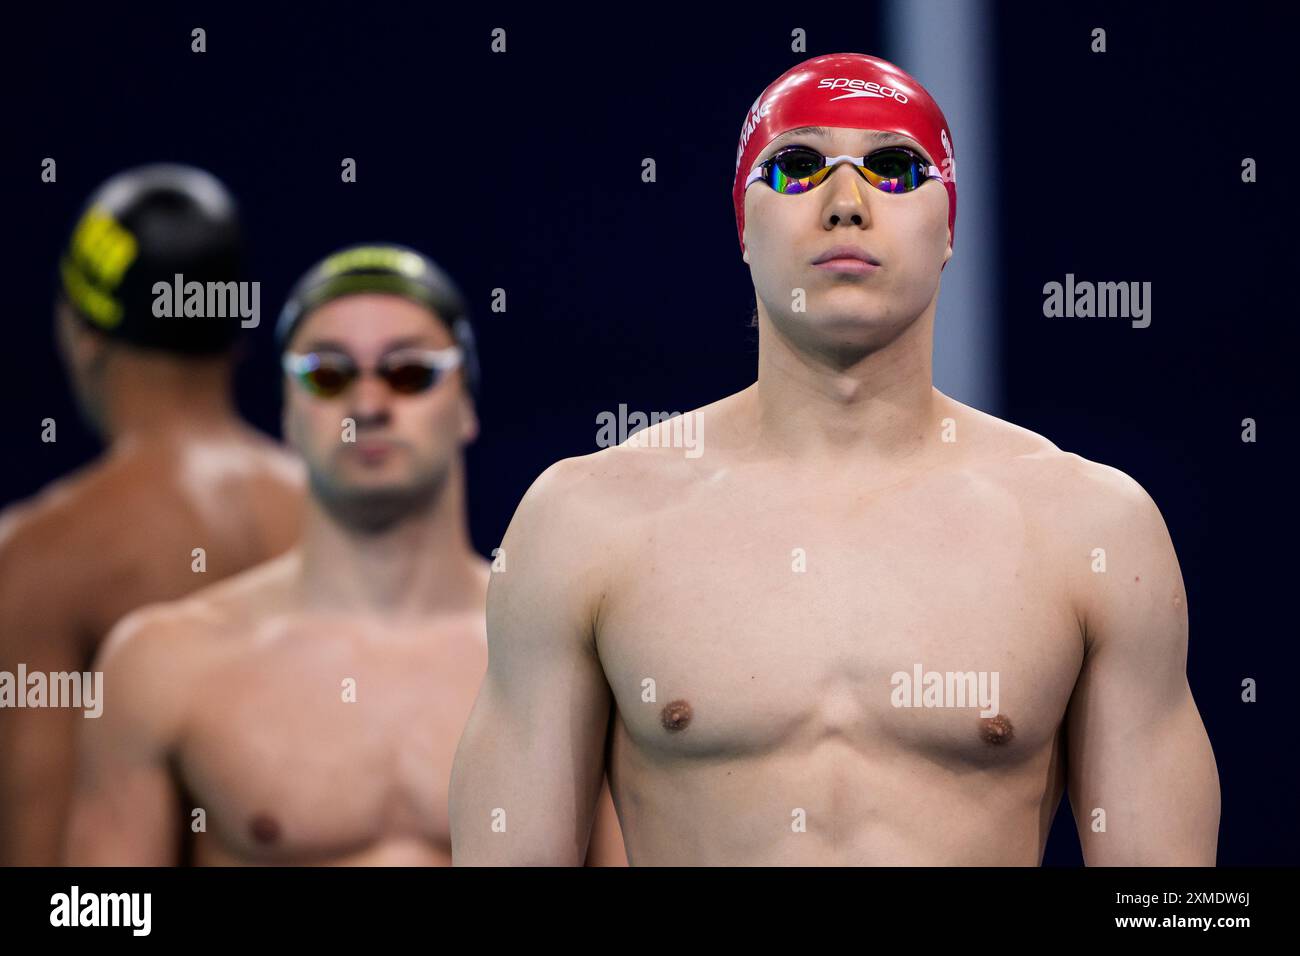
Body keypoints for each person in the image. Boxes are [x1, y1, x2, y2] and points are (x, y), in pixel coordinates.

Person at [449, 53, 1220, 865]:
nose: (846, 204)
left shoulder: (1093, 528)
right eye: (797, 166)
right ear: (743, 228)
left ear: (949, 227)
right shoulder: (583, 522)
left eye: (893, 168)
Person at [65, 245, 625, 865]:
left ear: (466, 402)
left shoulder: (567, 659)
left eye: (408, 372)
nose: (367, 406)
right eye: (327, 375)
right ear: (286, 410)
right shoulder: (163, 665)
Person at [0, 165, 303, 865]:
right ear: (235, 329)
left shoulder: (42, 556)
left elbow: (40, 861)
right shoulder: (344, 519)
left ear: (83, 335)